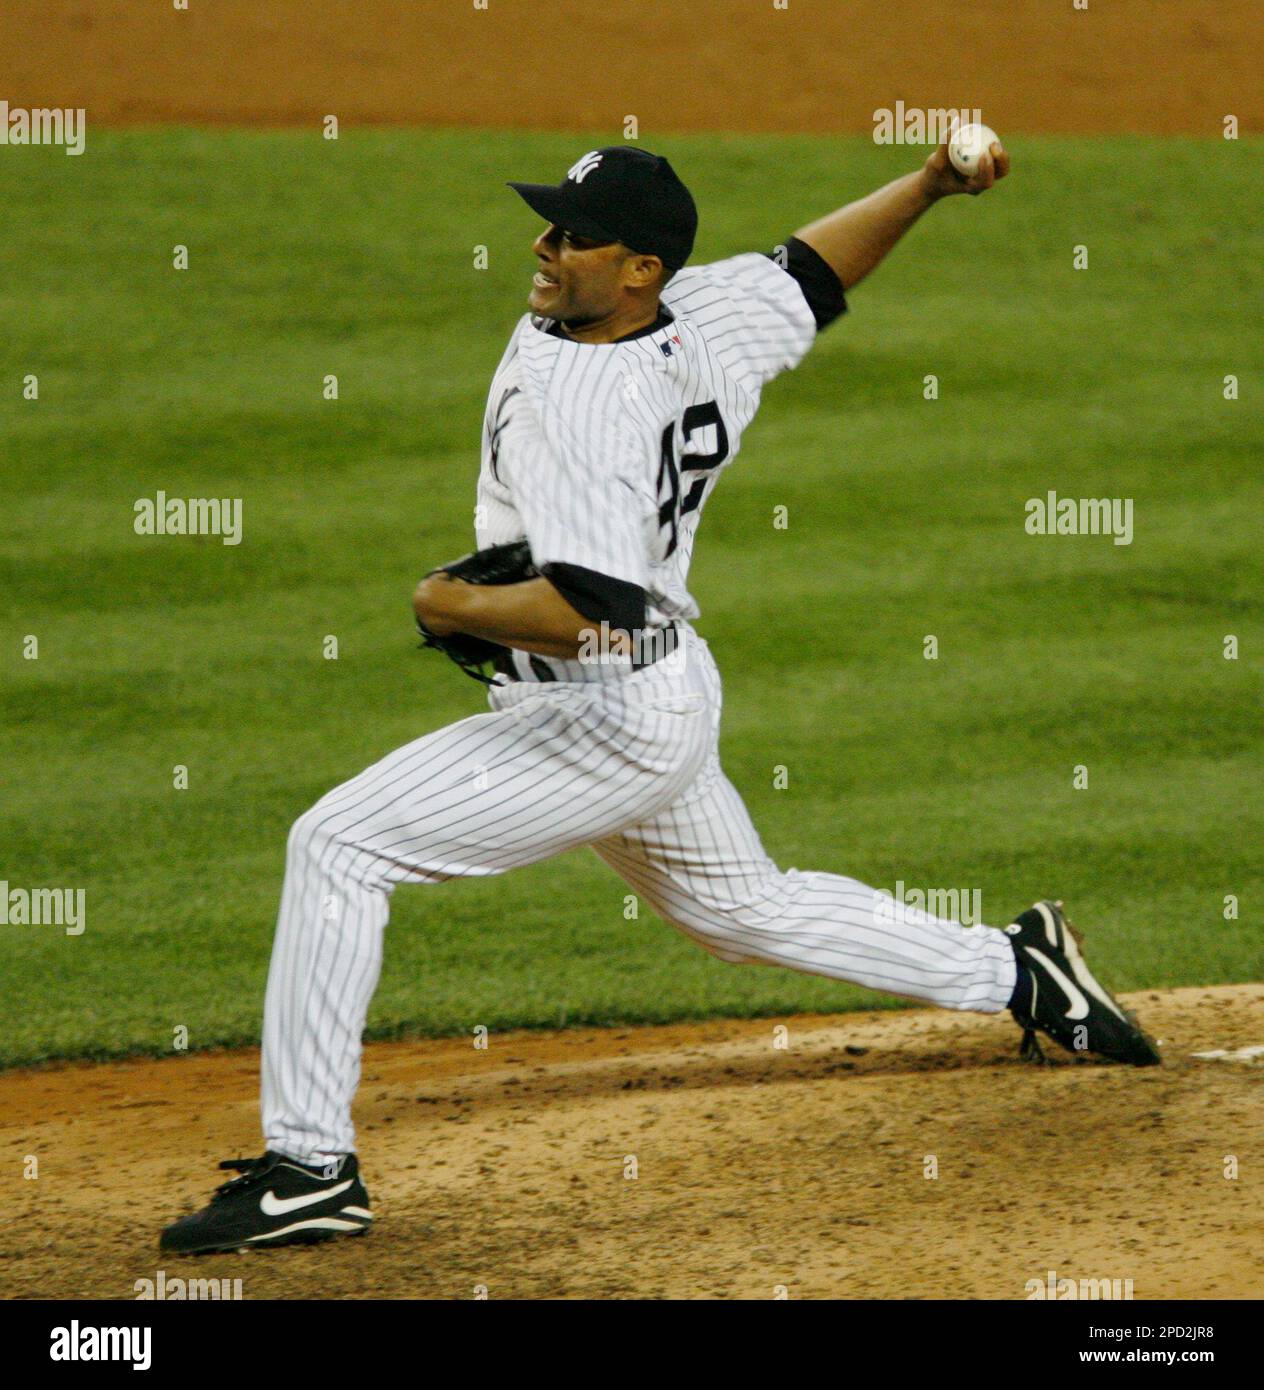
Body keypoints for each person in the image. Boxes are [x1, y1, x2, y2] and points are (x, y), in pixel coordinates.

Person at [160, 138, 1158, 1256]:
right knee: (742, 909)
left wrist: (448, 603)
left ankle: (310, 1168)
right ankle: (1015, 968)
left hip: (601, 712)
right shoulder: (705, 309)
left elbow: (596, 610)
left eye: (575, 237)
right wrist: (926, 186)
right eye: (549, 223)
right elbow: (814, 271)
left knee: (338, 844)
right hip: (661, 693)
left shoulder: (589, 406)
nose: (545, 247)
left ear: (638, 268)